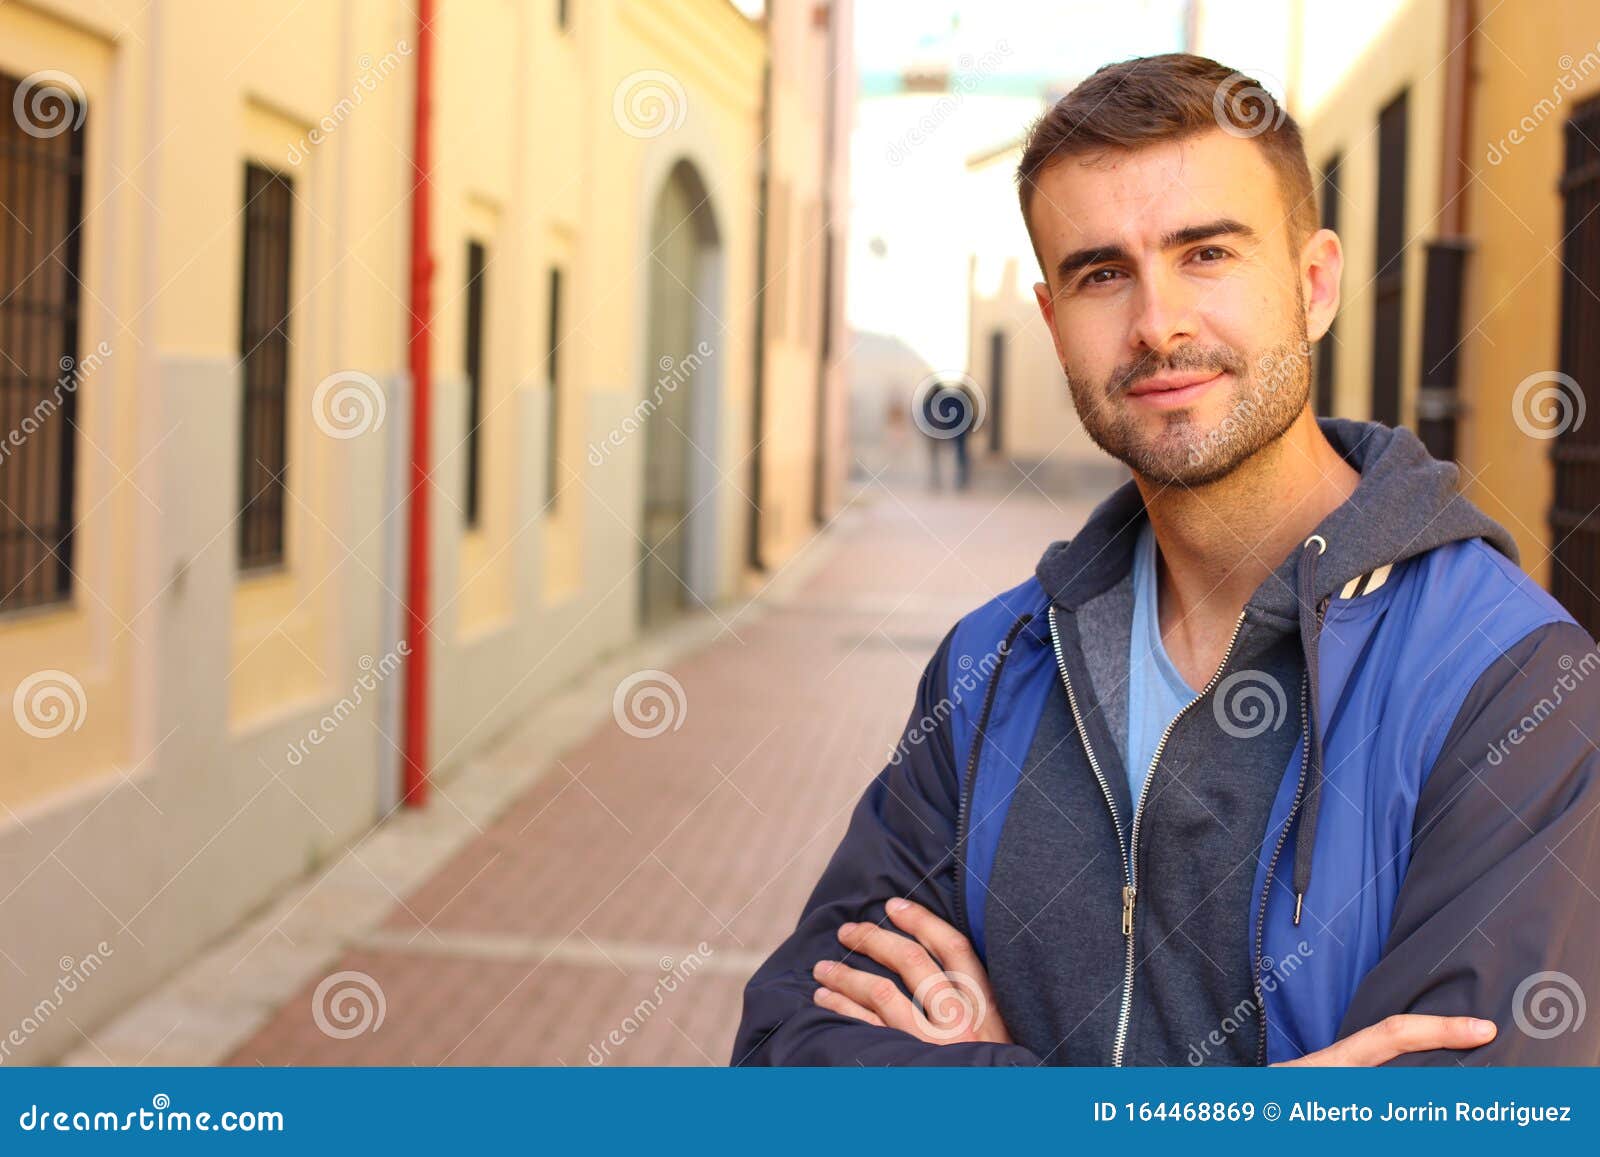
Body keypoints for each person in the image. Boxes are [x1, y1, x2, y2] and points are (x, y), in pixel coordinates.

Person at [732, 53, 1600, 1067]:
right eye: (1102, 274)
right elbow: (787, 1054)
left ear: (1315, 284)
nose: (1157, 324)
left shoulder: (1510, 685)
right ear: (1054, 323)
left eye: (1207, 253)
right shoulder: (993, 667)